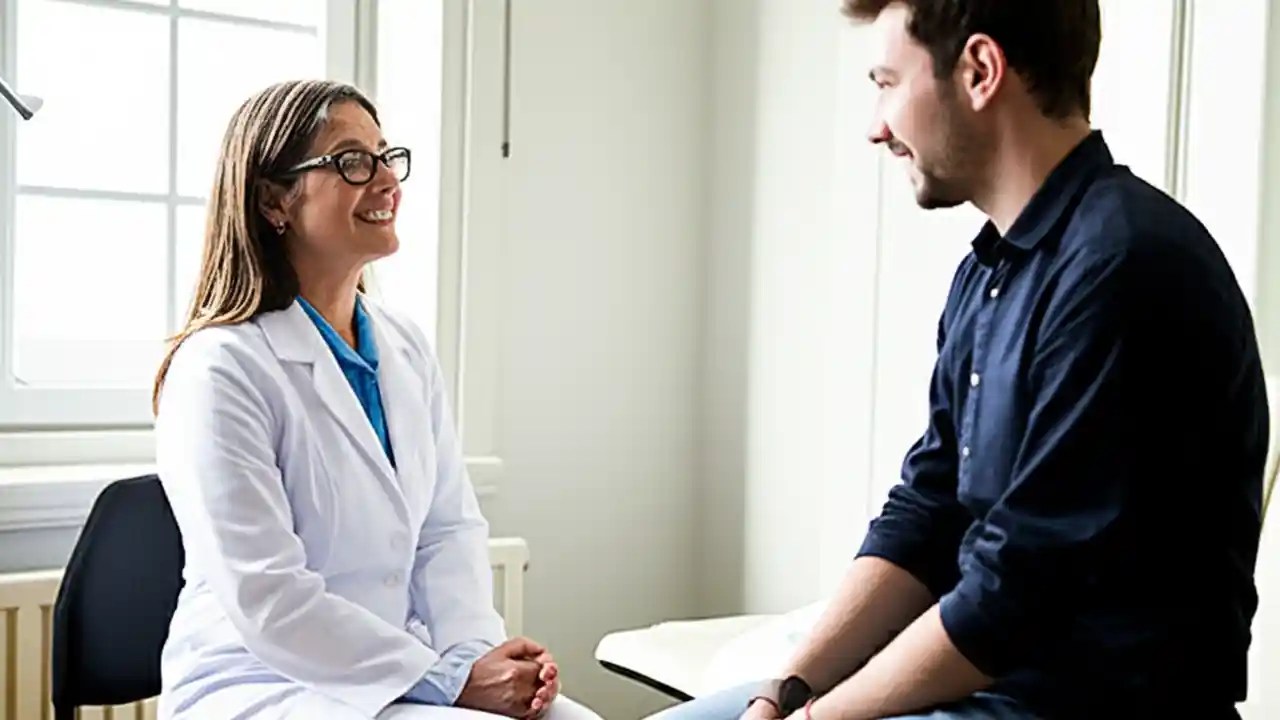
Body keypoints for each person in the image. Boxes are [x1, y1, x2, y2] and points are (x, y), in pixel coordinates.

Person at [656, 1, 1268, 719]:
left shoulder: (1125, 264)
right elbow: (929, 509)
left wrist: (816, 719)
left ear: (980, 71)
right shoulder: (989, 273)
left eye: (888, 84)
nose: (876, 126)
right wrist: (785, 691)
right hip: (991, 687)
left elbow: (1014, 591)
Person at [152, 79, 601, 720]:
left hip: (396, 668)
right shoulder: (218, 368)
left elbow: (447, 529)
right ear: (274, 199)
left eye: (386, 157)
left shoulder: (403, 345)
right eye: (352, 162)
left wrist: (476, 658)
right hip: (264, 683)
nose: (388, 180)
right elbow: (271, 599)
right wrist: (450, 680)